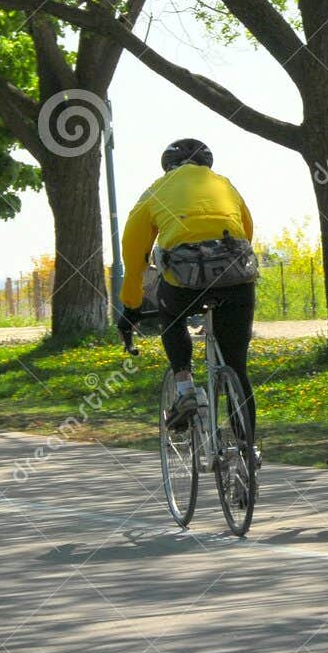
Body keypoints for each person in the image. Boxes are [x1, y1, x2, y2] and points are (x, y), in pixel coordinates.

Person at [117, 139, 257, 435]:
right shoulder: (225, 185)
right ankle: (248, 453)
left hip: (184, 280)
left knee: (171, 316)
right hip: (236, 276)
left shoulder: (156, 190)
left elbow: (133, 252)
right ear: (207, 165)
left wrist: (131, 306)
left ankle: (185, 388)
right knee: (237, 366)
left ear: (167, 167)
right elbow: (247, 231)